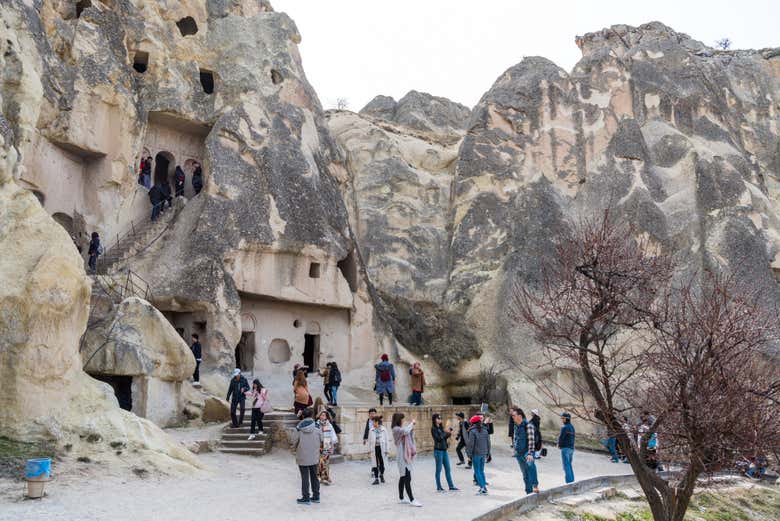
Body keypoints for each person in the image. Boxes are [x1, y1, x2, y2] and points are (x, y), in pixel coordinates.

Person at [392, 412, 422, 507]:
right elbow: (405, 431)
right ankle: (412, 500)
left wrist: (411, 427)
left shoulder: (400, 429)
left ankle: (401, 498)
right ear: (398, 420)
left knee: (403, 477)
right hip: (402, 457)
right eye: (402, 419)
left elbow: (408, 432)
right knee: (406, 477)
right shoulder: (396, 429)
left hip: (405, 456)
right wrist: (412, 423)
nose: (403, 420)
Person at [294, 408, 323, 504]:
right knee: (315, 476)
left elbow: (293, 441)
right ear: (312, 415)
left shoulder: (298, 428)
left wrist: (294, 448)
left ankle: (306, 497)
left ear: (302, 416)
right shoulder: (318, 426)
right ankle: (316, 496)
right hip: (314, 455)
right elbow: (322, 439)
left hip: (302, 455)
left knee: (305, 477)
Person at [512, 408, 539, 494]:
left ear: (519, 416)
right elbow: (515, 439)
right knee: (525, 474)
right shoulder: (516, 426)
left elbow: (531, 441)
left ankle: (535, 485)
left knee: (530, 465)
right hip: (519, 453)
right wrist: (515, 450)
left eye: (513, 415)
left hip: (527, 451)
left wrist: (530, 453)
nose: (512, 417)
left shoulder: (528, 425)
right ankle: (528, 492)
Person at [431, 413, 458, 492]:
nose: (440, 419)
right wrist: (445, 433)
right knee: (438, 469)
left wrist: (448, 433)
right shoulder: (433, 429)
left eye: (440, 418)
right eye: (438, 418)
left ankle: (451, 486)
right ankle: (439, 487)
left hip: (444, 450)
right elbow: (438, 438)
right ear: (434, 419)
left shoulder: (441, 428)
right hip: (438, 451)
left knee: (448, 469)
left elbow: (444, 438)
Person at [466, 415, 490, 495]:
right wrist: (488, 453)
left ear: (472, 423)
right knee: (481, 470)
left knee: (477, 471)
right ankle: (484, 487)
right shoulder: (485, 430)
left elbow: (470, 444)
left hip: (476, 454)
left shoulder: (472, 431)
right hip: (483, 453)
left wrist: (469, 455)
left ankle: (482, 488)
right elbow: (488, 443)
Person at [316, 410, 339, 485]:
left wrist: (332, 447)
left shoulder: (329, 425)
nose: (323, 416)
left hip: (327, 445)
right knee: (319, 462)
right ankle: (318, 476)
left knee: (326, 462)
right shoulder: (316, 424)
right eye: (321, 415)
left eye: (324, 415)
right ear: (319, 416)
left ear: (326, 417)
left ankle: (326, 477)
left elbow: (332, 436)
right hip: (319, 446)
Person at [367, 415, 388, 484]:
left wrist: (387, 450)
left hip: (382, 448)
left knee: (382, 463)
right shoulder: (371, 430)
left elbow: (387, 440)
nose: (373, 423)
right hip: (374, 448)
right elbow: (369, 441)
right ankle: (376, 479)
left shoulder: (384, 429)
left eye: (374, 422)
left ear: (377, 422)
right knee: (374, 464)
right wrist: (369, 450)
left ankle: (381, 475)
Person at [558, 412, 576, 484]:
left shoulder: (564, 427)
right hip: (571, 448)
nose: (562, 420)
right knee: (569, 465)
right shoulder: (572, 427)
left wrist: (559, 445)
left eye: (563, 418)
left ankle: (569, 482)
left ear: (566, 419)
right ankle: (572, 480)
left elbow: (561, 438)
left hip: (565, 448)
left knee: (566, 466)